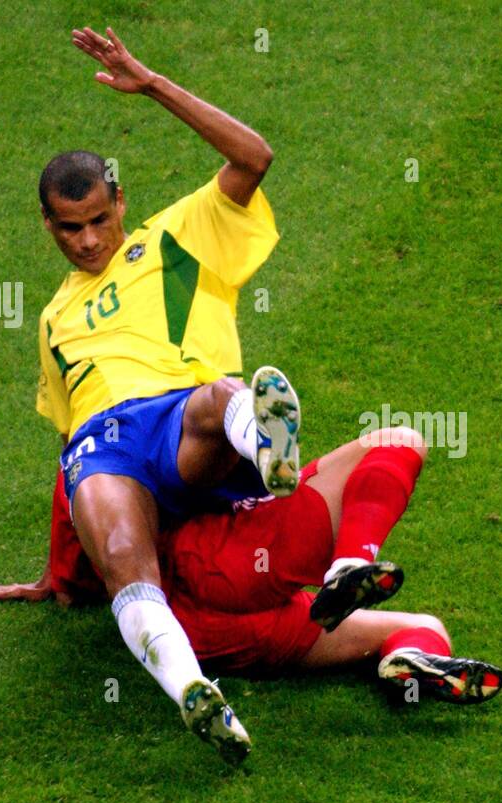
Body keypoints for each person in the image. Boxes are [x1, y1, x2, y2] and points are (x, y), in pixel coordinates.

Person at [33, 25, 294, 763]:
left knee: (219, 396)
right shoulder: (53, 319)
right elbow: (63, 444)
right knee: (120, 553)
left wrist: (151, 85)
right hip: (103, 449)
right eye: (70, 229)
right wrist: (57, 567)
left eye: (99, 220)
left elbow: (254, 155)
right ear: (49, 224)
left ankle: (268, 443)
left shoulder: (178, 235)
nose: (87, 241)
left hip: (182, 421)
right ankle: (192, 692)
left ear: (121, 200)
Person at [0, 428, 502, 732]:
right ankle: (349, 567)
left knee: (419, 623)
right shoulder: (193, 426)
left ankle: (403, 662)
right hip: (239, 573)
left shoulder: (111, 454)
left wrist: (57, 579)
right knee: (399, 439)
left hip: (200, 633)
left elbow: (77, 493)